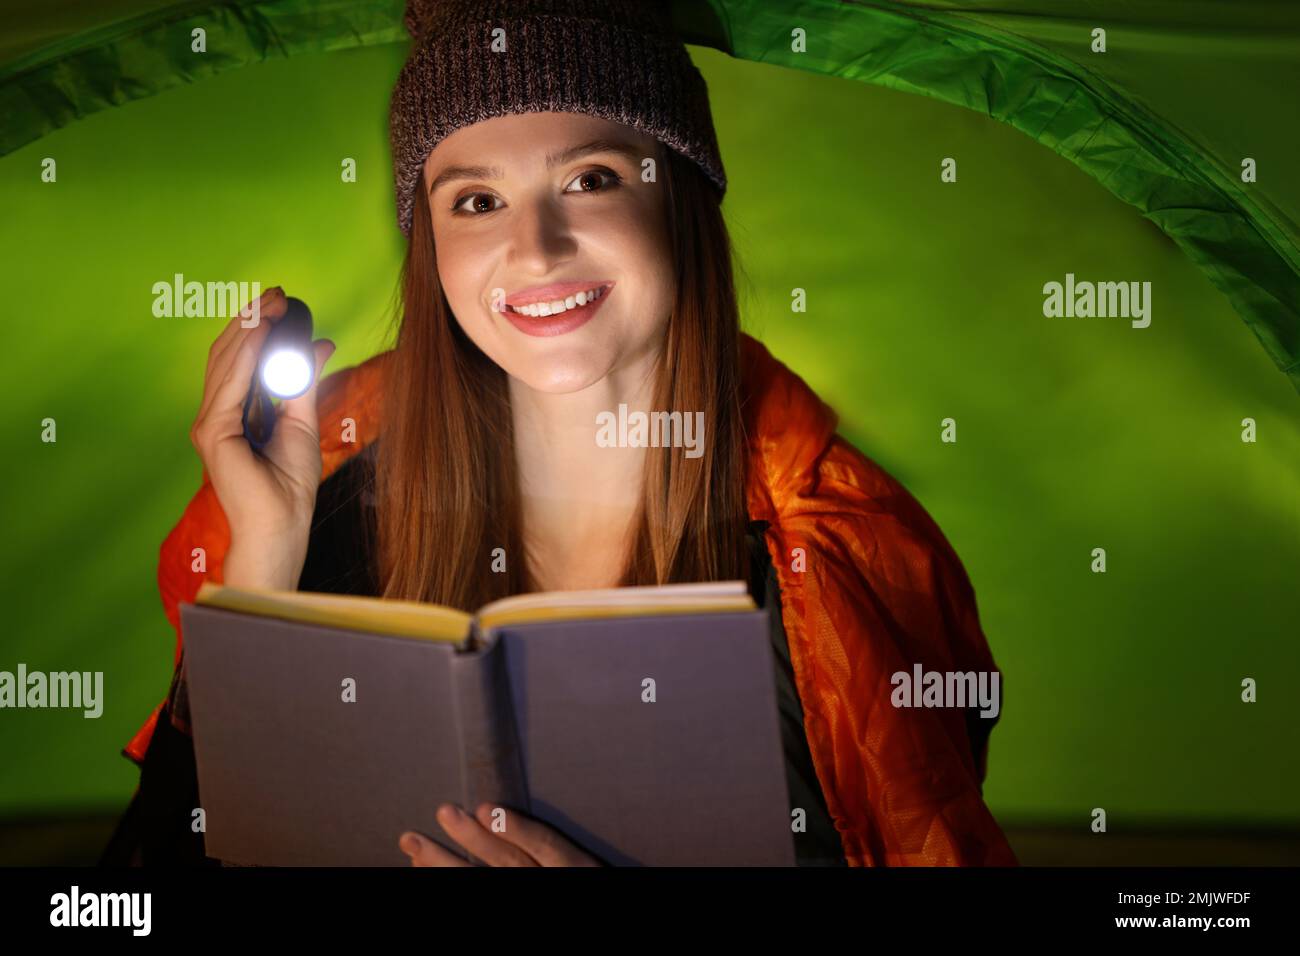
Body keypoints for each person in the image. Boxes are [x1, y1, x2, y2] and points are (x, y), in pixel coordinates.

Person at [101, 0, 1017, 867]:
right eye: (475, 201)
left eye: (591, 179)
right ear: (429, 242)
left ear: (680, 198)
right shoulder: (324, 492)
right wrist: (265, 565)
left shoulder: (835, 547)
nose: (536, 250)